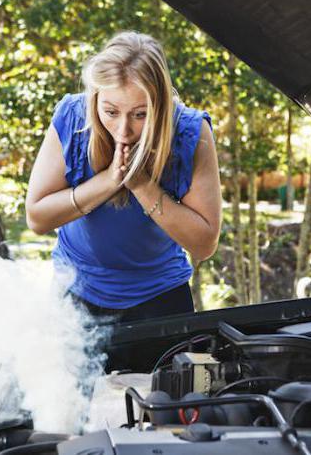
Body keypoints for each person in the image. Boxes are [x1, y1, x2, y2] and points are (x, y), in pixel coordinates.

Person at [26, 31, 222, 323]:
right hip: (75, 296)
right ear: (95, 99)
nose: (123, 129)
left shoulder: (190, 131)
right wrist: (107, 182)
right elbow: (37, 218)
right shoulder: (71, 116)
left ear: (161, 106)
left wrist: (142, 185)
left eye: (140, 114)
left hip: (160, 298)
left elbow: (204, 245)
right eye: (111, 112)